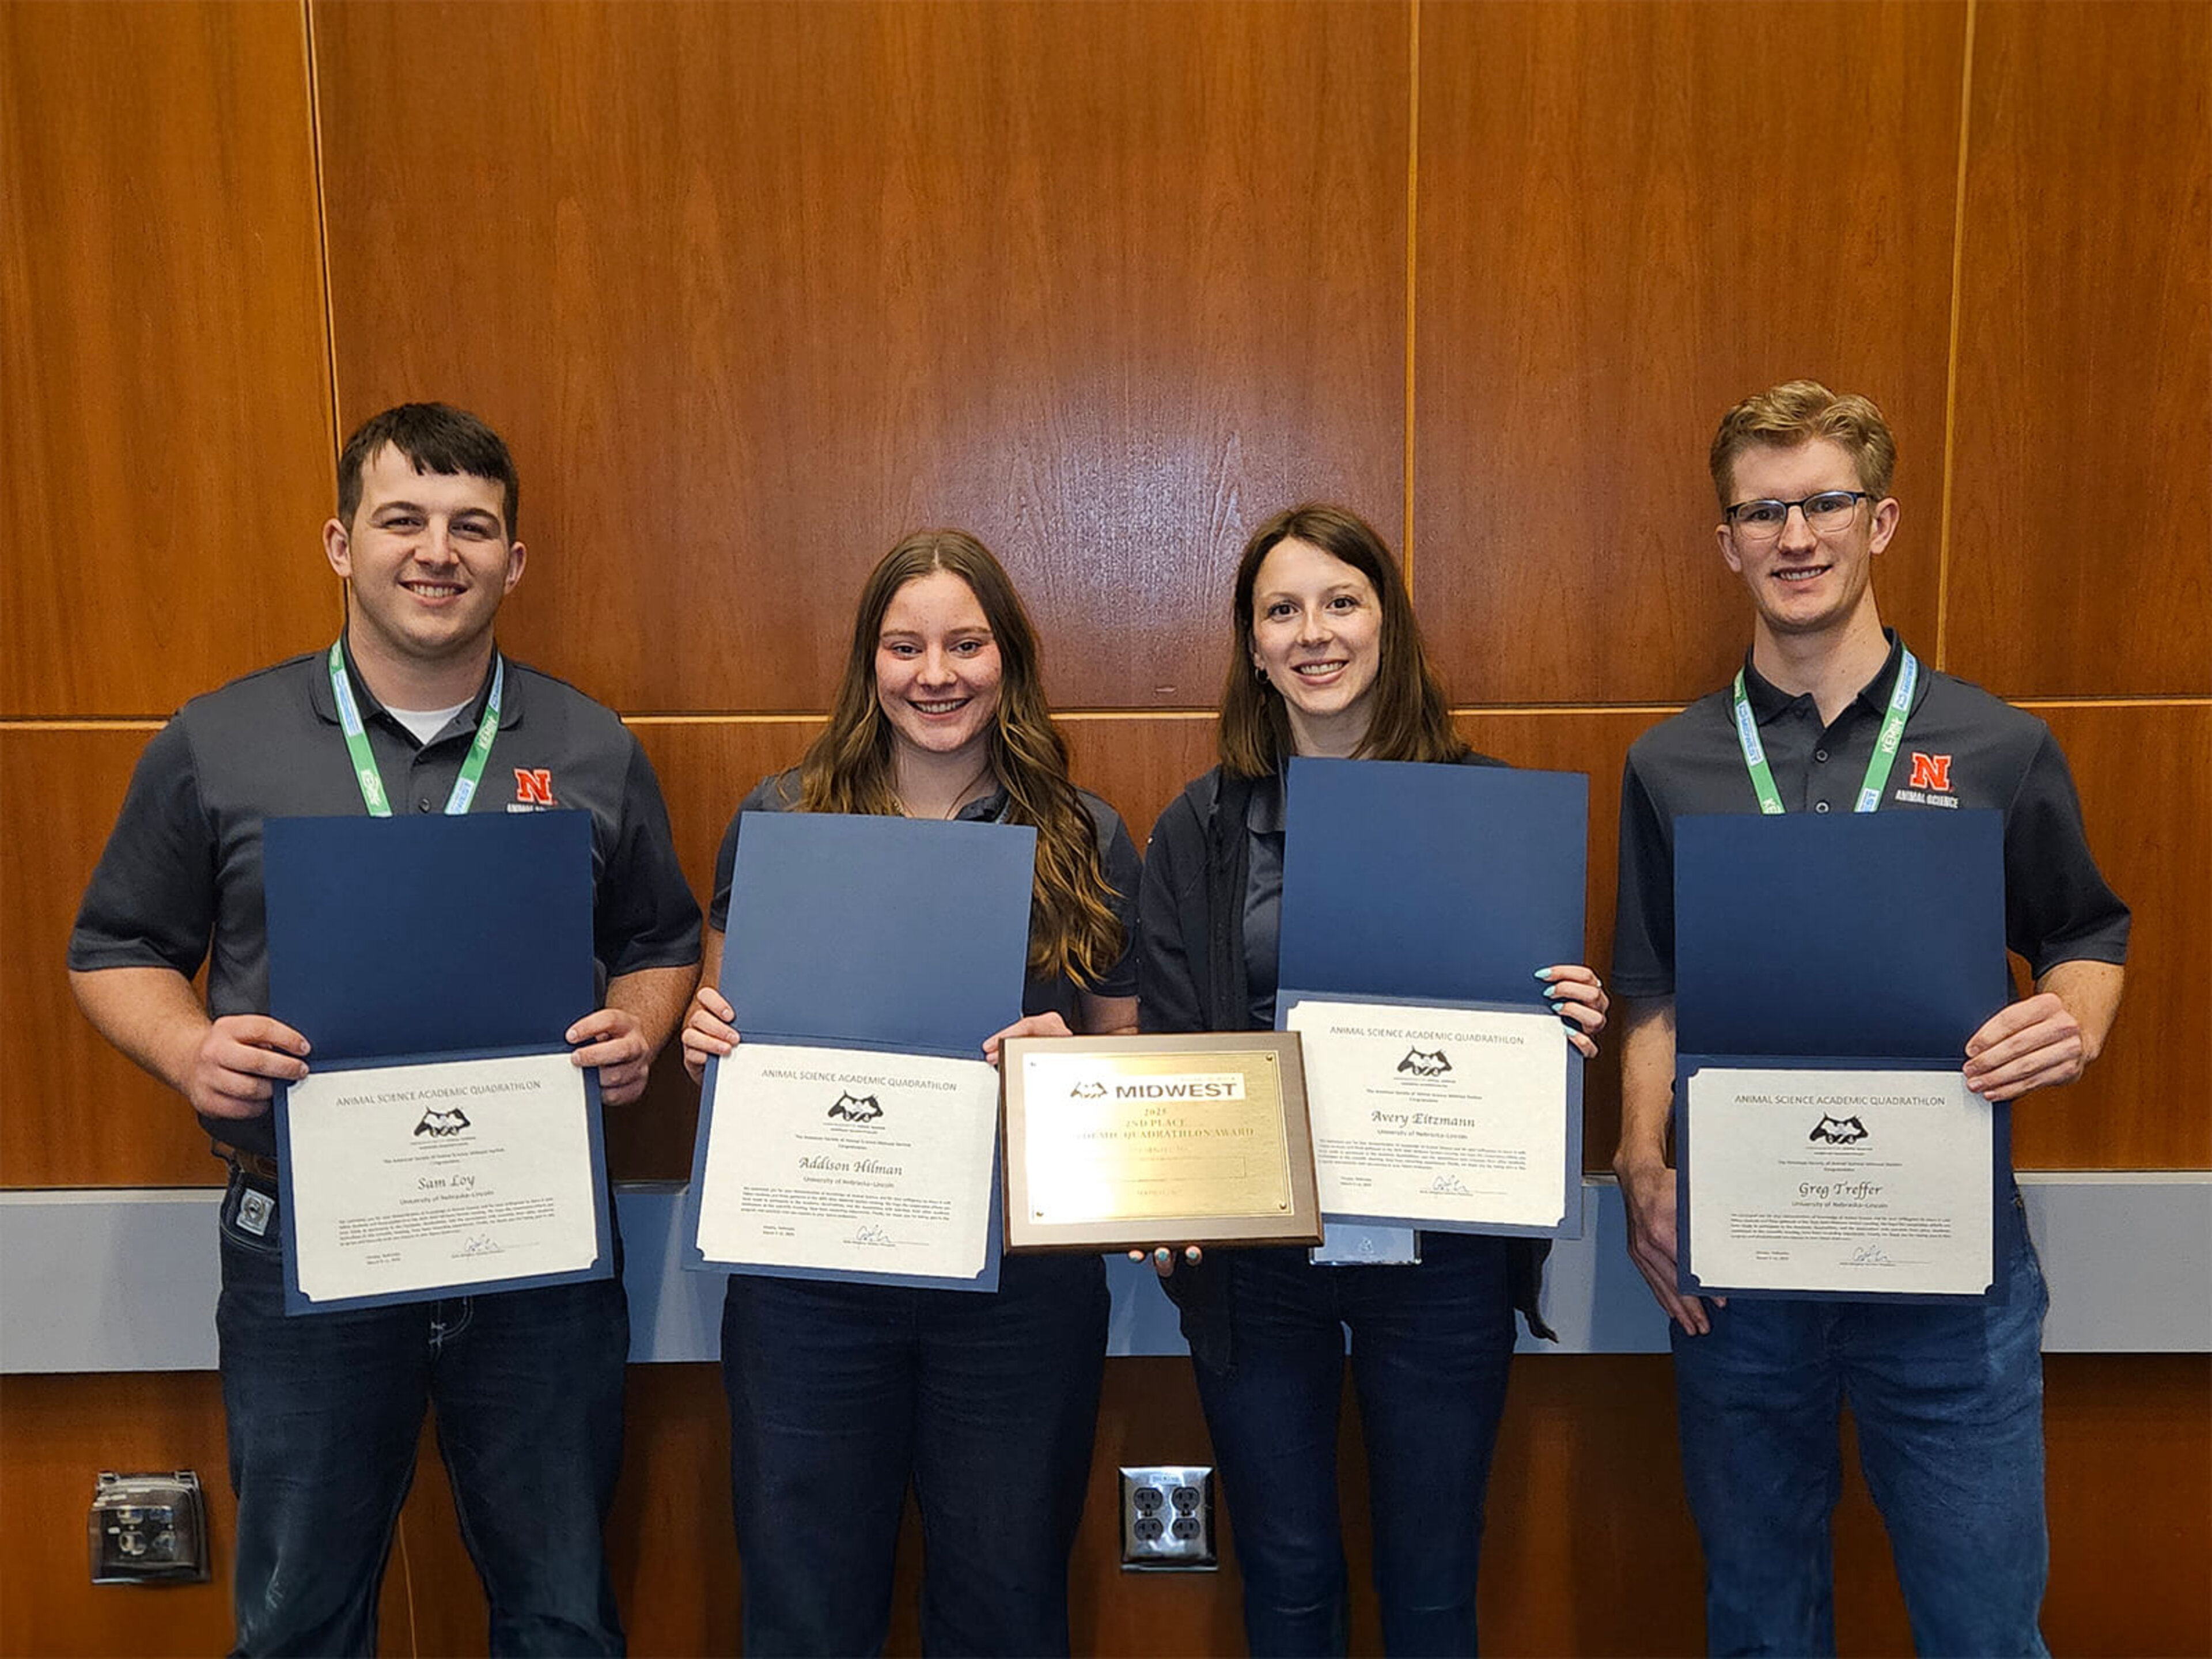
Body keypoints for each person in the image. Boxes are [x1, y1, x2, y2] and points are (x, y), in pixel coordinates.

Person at [67, 403, 702, 1657]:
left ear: (513, 562)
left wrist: (636, 1026)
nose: (437, 551)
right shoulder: (218, 740)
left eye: (474, 527)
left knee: (563, 1610)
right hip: (303, 1234)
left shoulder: (590, 747)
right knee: (300, 1617)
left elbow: (661, 938)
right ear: (339, 543)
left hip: (535, 1246)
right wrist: (193, 1047)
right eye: (402, 519)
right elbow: (114, 949)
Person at [1609, 380, 2130, 1657]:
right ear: (1725, 541)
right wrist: (1639, 1159)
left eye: (1825, 503)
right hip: (1742, 1270)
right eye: (1762, 511)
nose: (1796, 537)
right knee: (1760, 1624)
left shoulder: (1999, 746)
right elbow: (1653, 986)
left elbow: (2088, 935)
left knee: (1984, 1630)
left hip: (1950, 1278)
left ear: (1882, 521)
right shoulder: (1670, 764)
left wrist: (2072, 1017)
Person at [1135, 503, 1608, 1656]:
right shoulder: (1198, 829)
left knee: (1434, 1577)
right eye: (1282, 610)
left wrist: (1567, 1018)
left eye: (1342, 601)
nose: (1315, 633)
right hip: (1260, 1266)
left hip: (1440, 1257)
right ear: (1251, 646)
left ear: (1387, 622)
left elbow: (1522, 1022)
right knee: (1289, 1575)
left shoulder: (1489, 811)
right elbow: (1174, 1041)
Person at [678, 528, 1141, 1656]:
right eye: (905, 646)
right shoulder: (784, 820)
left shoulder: (1084, 835)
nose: (936, 674)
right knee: (804, 1609)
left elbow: (1132, 1078)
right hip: (813, 1288)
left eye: (966, 643)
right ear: (868, 663)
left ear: (1009, 658)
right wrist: (705, 1036)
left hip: (1018, 1295)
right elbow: (728, 1028)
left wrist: (1066, 1069)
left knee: (1005, 1603)